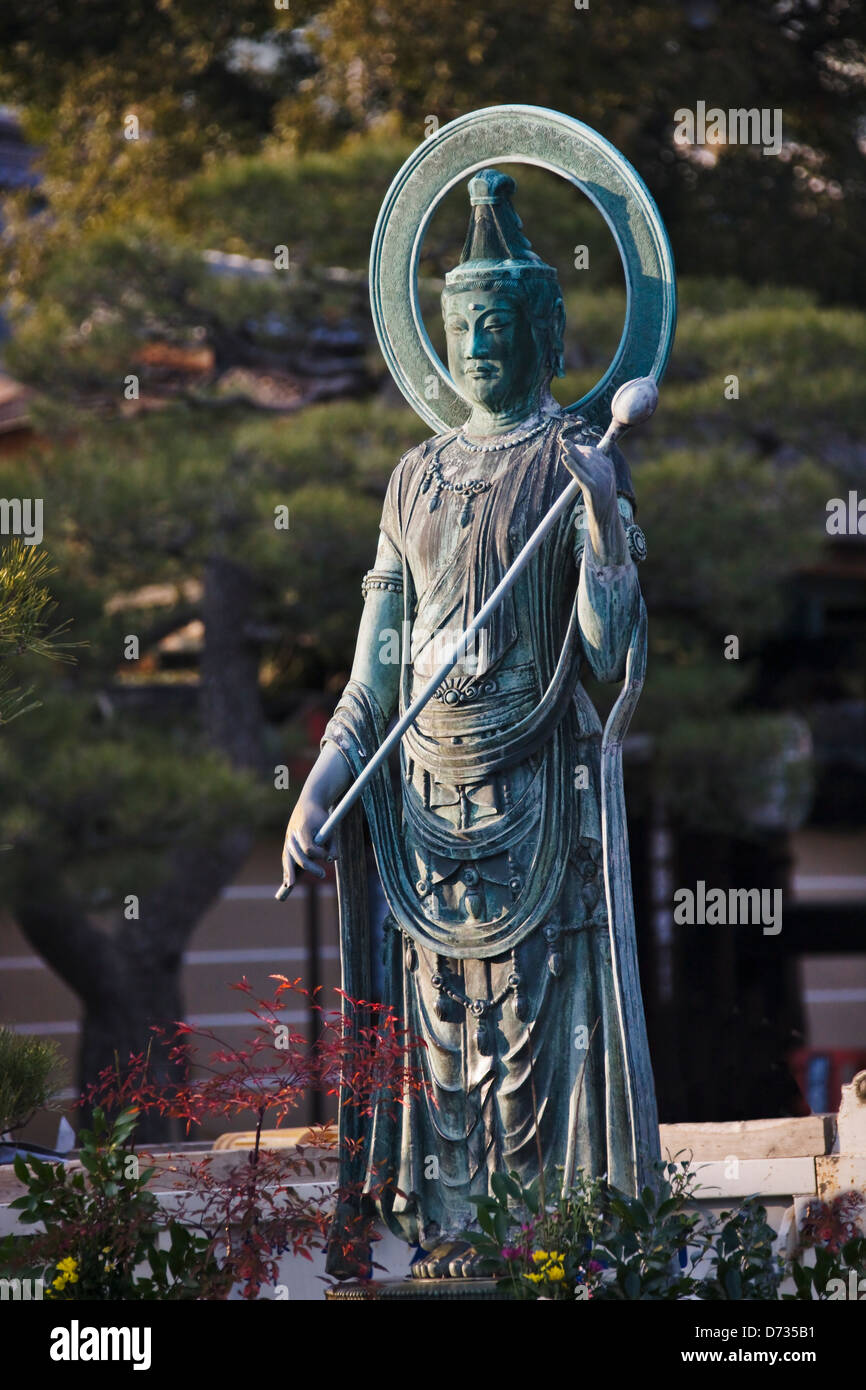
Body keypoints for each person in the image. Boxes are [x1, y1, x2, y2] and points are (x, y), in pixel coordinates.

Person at [281, 168, 656, 1278]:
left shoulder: (574, 453)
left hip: (534, 790)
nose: (479, 338)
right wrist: (322, 778)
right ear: (435, 337)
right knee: (439, 1046)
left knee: (539, 1038)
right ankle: (454, 1244)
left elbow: (599, 653)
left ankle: (557, 1244)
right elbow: (374, 675)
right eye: (459, 323)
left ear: (548, 329)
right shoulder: (411, 480)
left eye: (500, 319)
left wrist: (597, 511)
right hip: (419, 803)